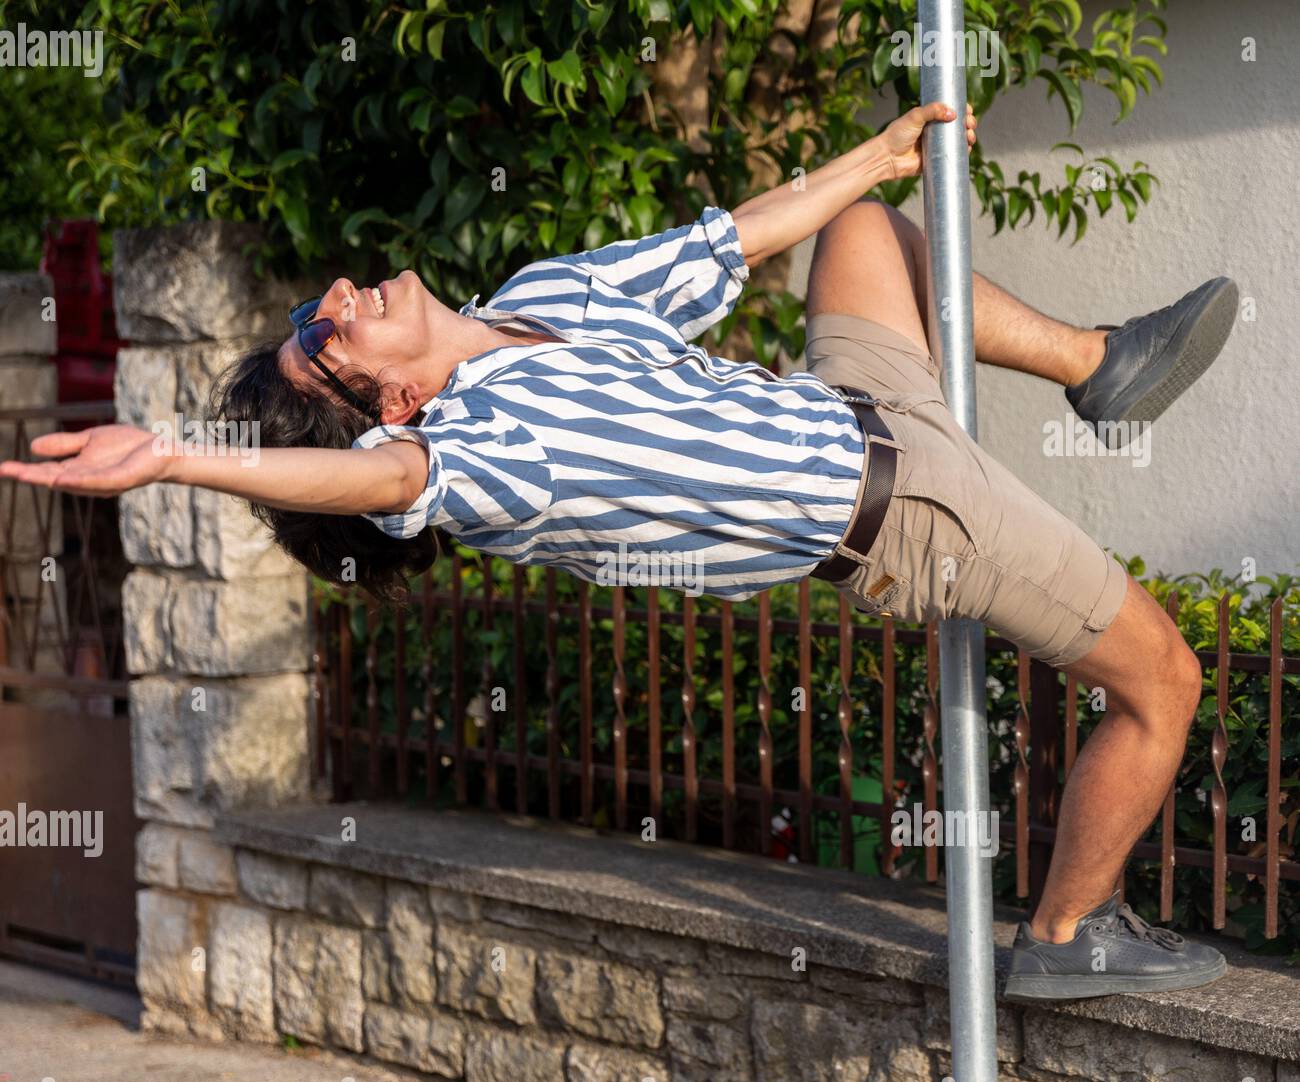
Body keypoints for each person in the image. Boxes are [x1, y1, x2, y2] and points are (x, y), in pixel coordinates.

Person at [1, 102, 1237, 1000]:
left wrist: (880, 151)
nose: (336, 291)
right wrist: (174, 454)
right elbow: (372, 483)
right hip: (910, 509)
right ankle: (1069, 933)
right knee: (1164, 679)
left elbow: (728, 242)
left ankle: (1096, 367)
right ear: (385, 402)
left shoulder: (539, 299)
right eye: (324, 333)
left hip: (864, 400)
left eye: (310, 313)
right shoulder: (479, 462)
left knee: (861, 227)